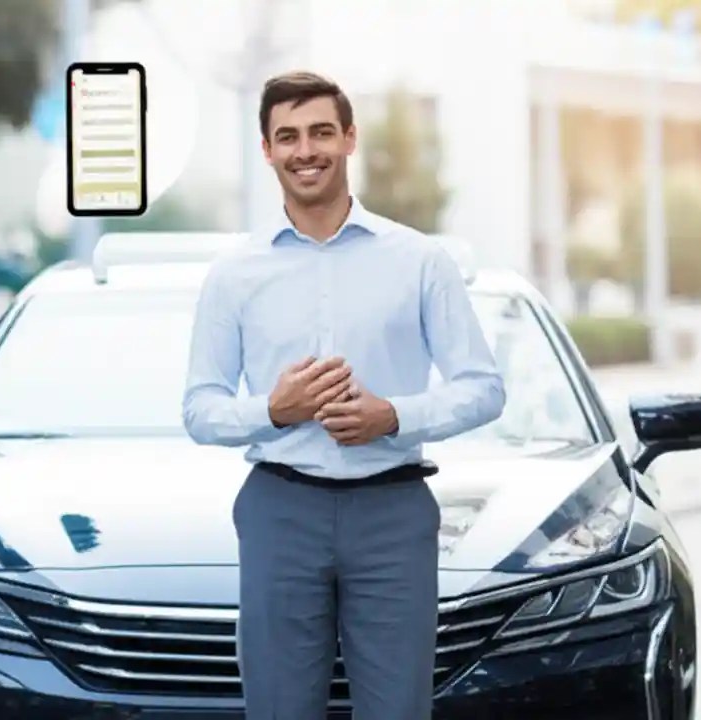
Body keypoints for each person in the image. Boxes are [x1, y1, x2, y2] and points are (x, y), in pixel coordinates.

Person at [181, 70, 506, 720]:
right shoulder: (234, 274)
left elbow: (484, 388)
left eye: (322, 132)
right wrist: (275, 410)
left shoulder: (419, 261)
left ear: (349, 138)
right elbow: (201, 408)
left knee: (398, 710)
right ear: (267, 149)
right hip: (280, 509)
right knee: (279, 709)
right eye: (289, 136)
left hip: (393, 512)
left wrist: (395, 416)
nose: (307, 150)